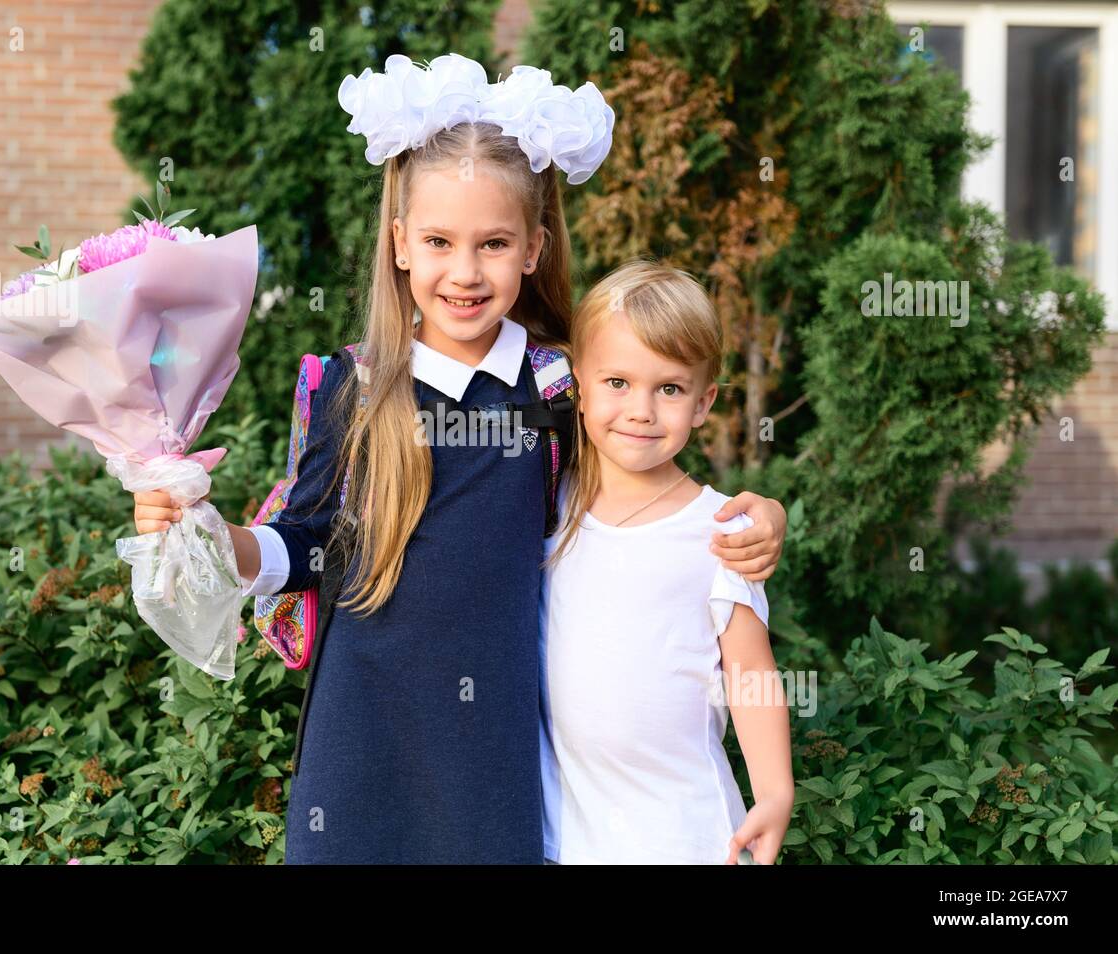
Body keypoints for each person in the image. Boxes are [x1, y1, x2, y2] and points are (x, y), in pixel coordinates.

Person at [132, 54, 789, 863]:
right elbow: (310, 544)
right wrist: (203, 527)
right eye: (439, 241)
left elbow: (643, 483)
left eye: (494, 243)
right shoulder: (357, 383)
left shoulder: (558, 384)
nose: (465, 272)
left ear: (533, 249)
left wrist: (760, 514)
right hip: (363, 728)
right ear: (401, 242)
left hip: (496, 744)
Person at [539, 261, 795, 865]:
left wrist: (775, 791)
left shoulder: (721, 531)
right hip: (570, 839)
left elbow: (751, 674)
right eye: (618, 382)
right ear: (579, 384)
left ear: (703, 403)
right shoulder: (547, 502)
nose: (642, 410)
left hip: (688, 839)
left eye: (670, 389)